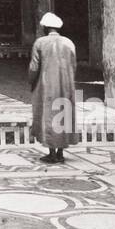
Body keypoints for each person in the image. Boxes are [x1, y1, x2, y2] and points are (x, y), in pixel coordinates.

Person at [28, 11, 76, 164]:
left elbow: (34, 67)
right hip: (66, 85)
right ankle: (61, 152)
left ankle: (52, 153)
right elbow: (73, 65)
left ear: (46, 28)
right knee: (63, 115)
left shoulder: (40, 43)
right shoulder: (69, 43)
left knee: (48, 116)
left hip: (47, 85)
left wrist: (31, 81)